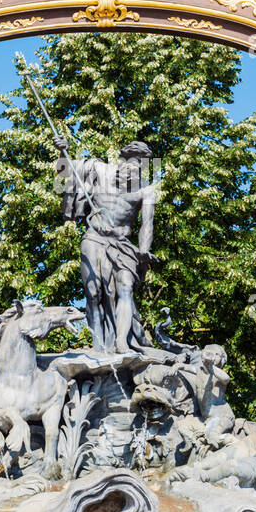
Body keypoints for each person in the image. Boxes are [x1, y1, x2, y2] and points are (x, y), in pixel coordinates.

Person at [54, 137, 156, 352]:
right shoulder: (99, 170)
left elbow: (147, 224)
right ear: (123, 159)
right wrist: (63, 152)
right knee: (93, 293)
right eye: (133, 162)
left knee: (126, 287)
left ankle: (121, 342)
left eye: (141, 165)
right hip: (95, 237)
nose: (136, 168)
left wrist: (144, 251)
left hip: (122, 244)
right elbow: (65, 172)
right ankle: (98, 344)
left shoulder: (146, 190)